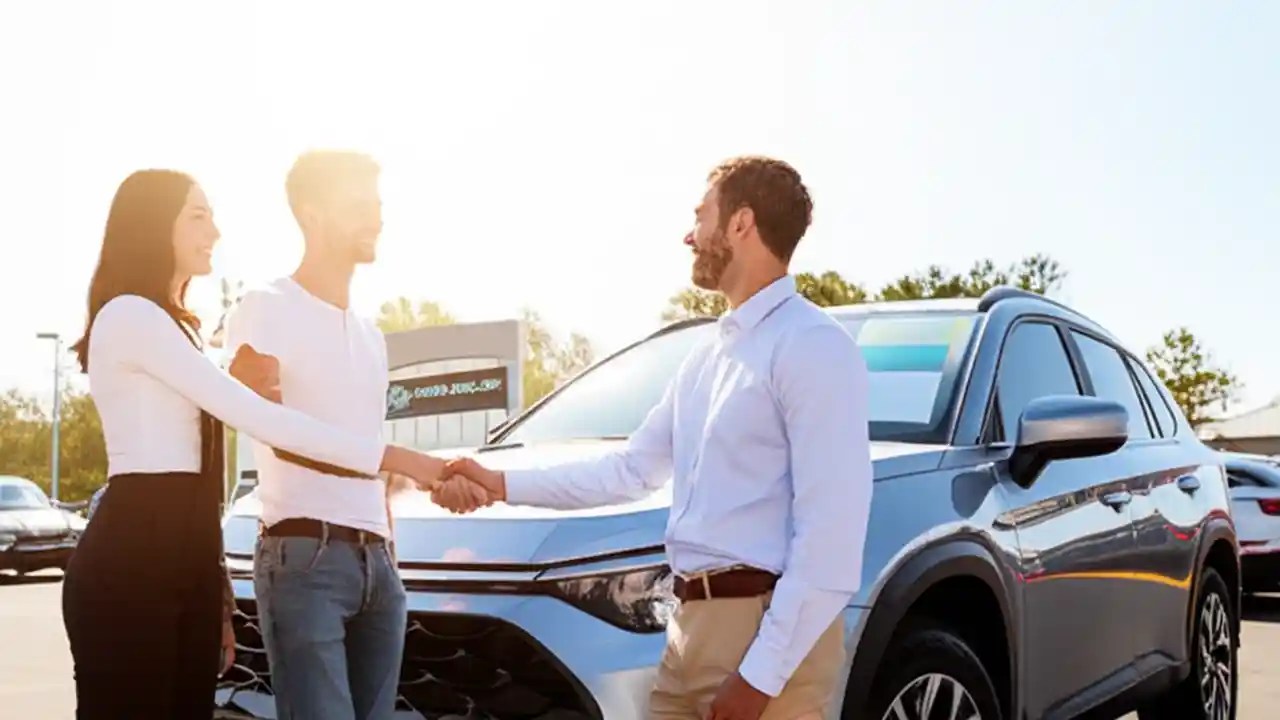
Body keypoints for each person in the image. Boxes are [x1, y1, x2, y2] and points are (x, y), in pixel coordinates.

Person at [435, 156, 874, 720]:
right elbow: (629, 470)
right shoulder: (707, 356)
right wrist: (495, 482)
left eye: (702, 216)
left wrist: (760, 676)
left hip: (762, 635)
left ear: (741, 224)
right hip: (685, 633)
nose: (689, 235)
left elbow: (832, 537)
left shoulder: (813, 344)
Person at [60, 169, 448, 719]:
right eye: (197, 215)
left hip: (186, 556)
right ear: (152, 225)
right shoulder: (129, 316)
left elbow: (206, 471)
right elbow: (261, 419)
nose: (214, 231)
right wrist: (402, 460)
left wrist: (215, 585)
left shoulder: (185, 331)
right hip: (130, 559)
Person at [221, 150, 480, 720]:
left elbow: (366, 456)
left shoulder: (370, 334)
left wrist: (433, 486)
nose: (378, 218)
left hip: (379, 567)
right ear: (312, 214)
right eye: (361, 204)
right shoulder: (264, 306)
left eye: (379, 204)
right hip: (303, 561)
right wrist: (413, 461)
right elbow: (276, 430)